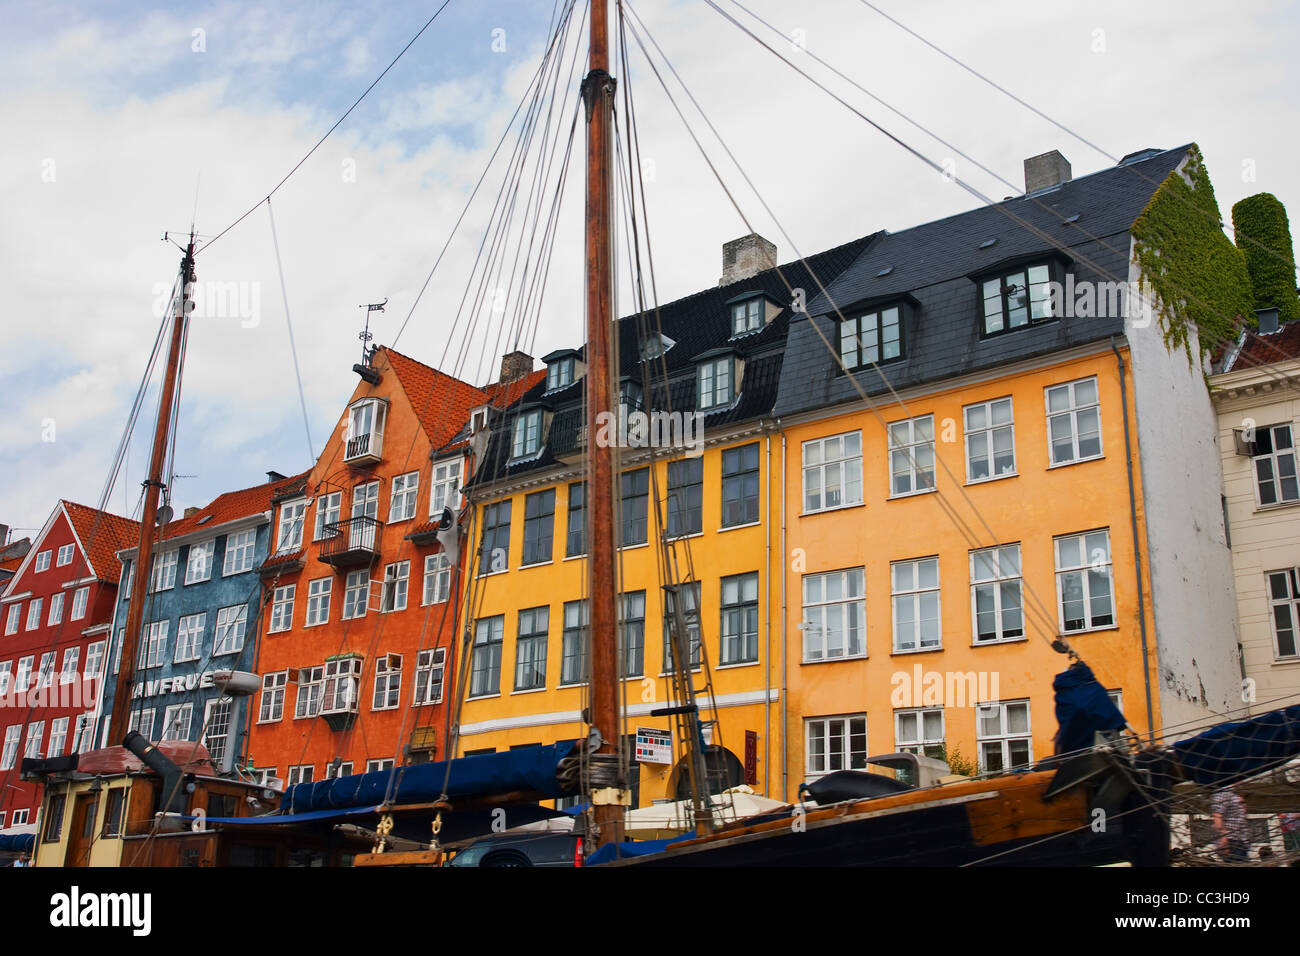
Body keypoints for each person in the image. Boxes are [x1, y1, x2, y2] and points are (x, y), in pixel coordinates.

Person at [1211, 785, 1248, 863]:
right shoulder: (1223, 794)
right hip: (1231, 842)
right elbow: (1217, 817)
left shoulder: (1233, 794)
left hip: (1239, 842)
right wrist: (1223, 840)